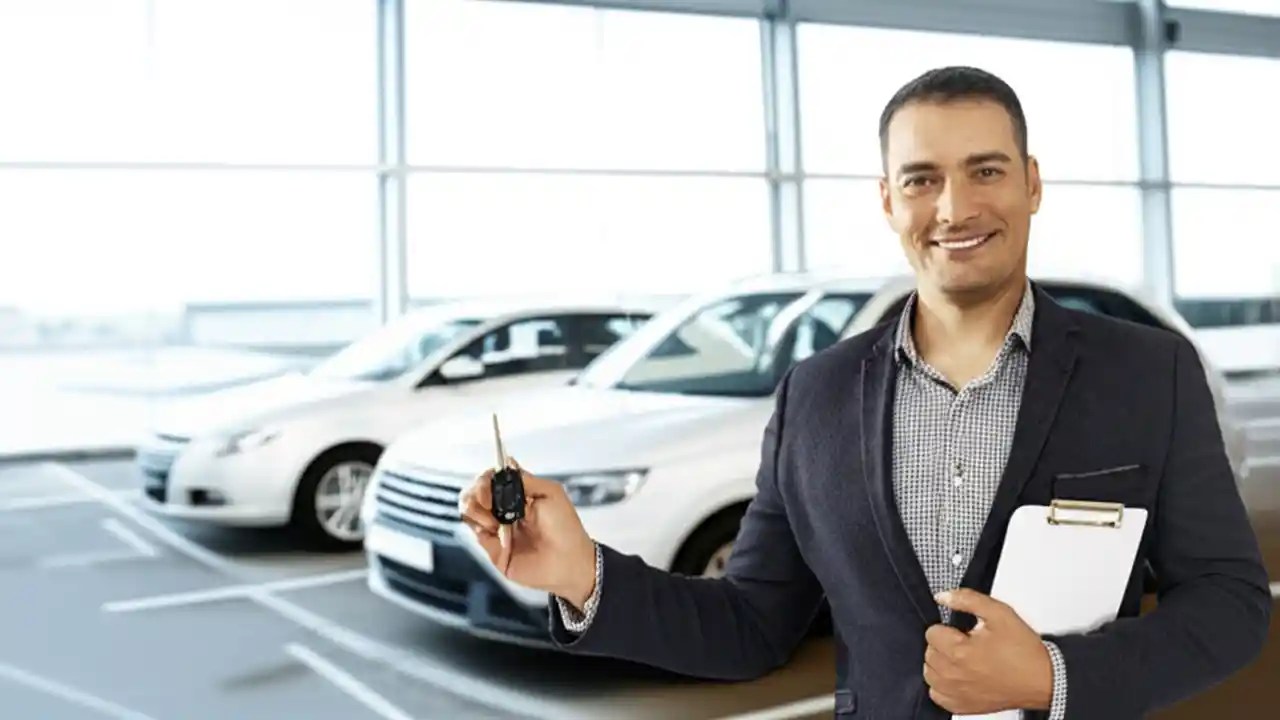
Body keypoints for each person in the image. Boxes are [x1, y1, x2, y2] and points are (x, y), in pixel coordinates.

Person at [458, 66, 1271, 719]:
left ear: (1031, 182)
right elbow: (752, 626)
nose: (954, 207)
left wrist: (1053, 676)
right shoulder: (814, 397)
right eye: (921, 180)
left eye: (985, 170)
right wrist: (583, 575)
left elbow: (1231, 604)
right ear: (888, 200)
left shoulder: (1148, 374)